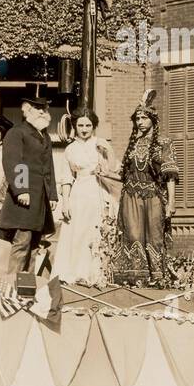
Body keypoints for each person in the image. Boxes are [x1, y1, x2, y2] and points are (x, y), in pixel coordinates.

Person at [112, 90, 179, 287]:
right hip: (131, 196)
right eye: (137, 118)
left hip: (154, 196)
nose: (140, 122)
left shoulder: (163, 143)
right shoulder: (133, 144)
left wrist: (171, 203)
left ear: (153, 119)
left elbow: (170, 175)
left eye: (144, 118)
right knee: (132, 234)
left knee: (155, 235)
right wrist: (102, 172)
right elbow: (123, 176)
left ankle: (157, 277)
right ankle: (135, 278)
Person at [0, 85, 59, 274]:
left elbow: (48, 167)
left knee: (35, 244)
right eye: (37, 108)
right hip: (24, 197)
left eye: (44, 109)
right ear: (27, 111)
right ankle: (11, 285)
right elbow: (16, 162)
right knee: (22, 241)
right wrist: (21, 189)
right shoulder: (17, 132)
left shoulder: (45, 136)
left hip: (40, 199)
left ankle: (28, 285)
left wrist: (52, 195)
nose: (42, 112)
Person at [53, 108, 114, 286]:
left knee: (95, 230)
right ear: (75, 126)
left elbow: (113, 169)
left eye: (88, 125)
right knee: (77, 231)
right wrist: (65, 202)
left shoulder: (101, 144)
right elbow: (66, 177)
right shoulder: (70, 149)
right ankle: (73, 272)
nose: (84, 129)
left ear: (94, 126)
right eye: (80, 125)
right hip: (79, 192)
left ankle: (94, 274)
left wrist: (107, 153)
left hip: (98, 190)